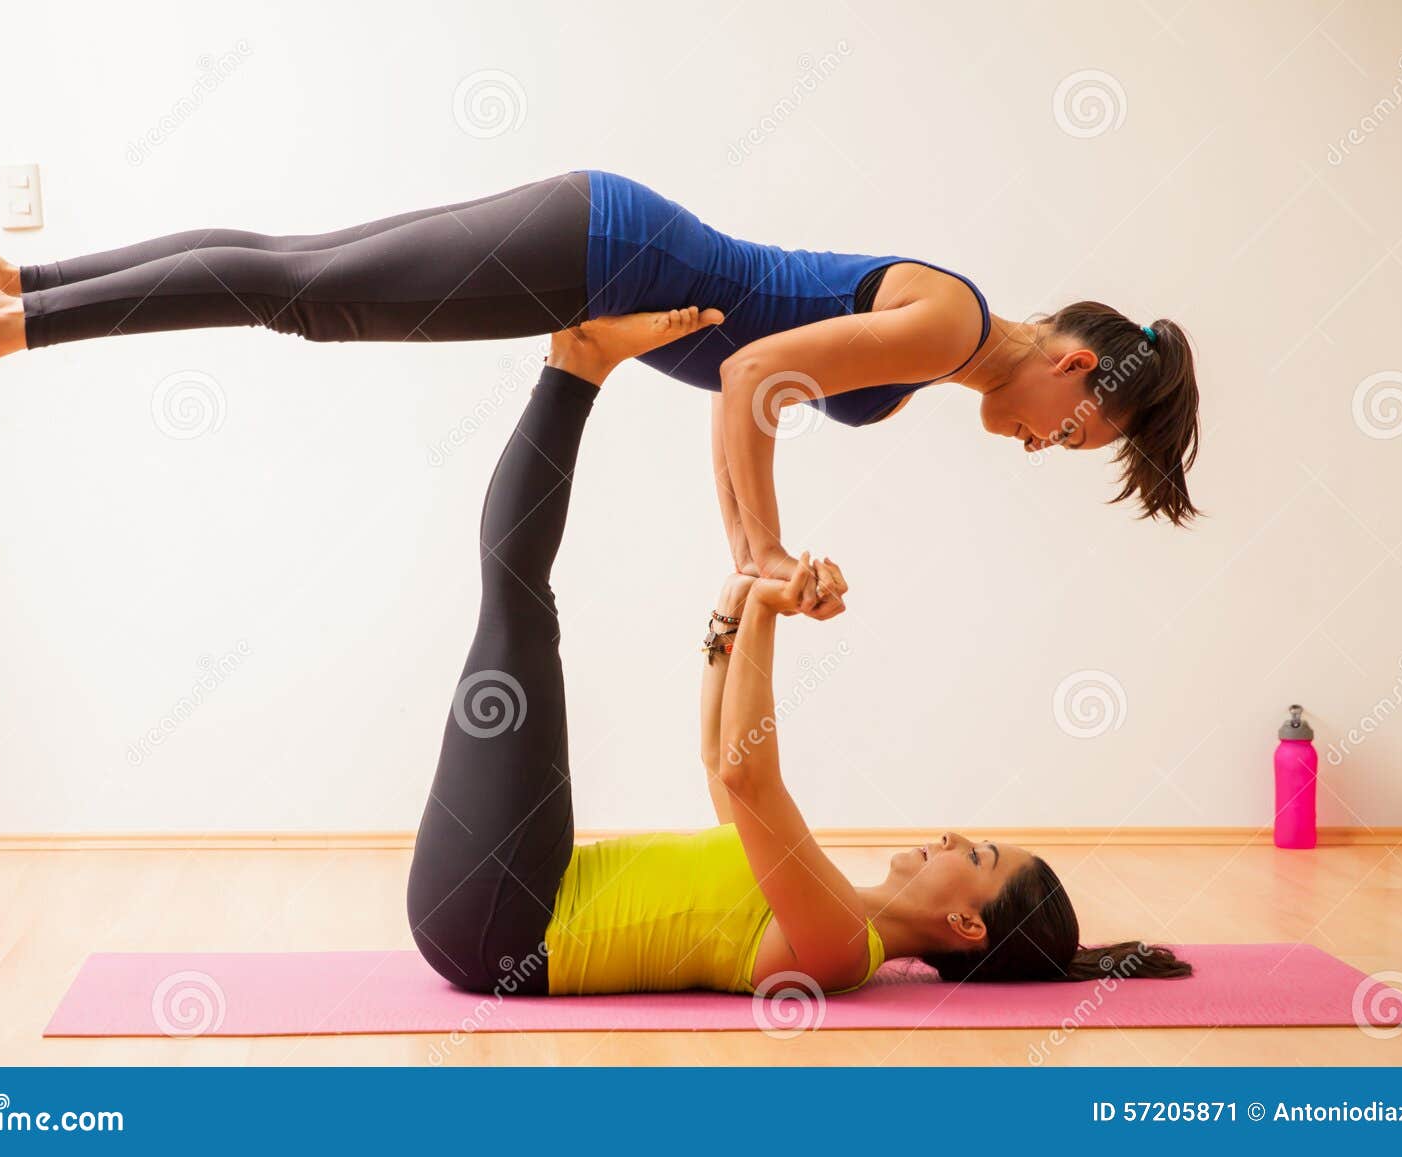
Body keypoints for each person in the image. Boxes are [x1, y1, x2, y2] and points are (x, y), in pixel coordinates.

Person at [0, 170, 1201, 617]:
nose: (1045, 445)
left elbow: (762, 369)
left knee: (305, 275)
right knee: (315, 294)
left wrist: (785, 560)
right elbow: (746, 374)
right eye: (1076, 431)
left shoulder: (941, 348)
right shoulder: (953, 325)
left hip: (601, 250)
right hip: (603, 248)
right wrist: (761, 555)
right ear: (1079, 369)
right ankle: (11, 319)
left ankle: (17, 286)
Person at [405, 303, 1191, 996]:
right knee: (519, 603)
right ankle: (575, 364)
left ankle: (575, 366)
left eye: (979, 855)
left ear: (966, 923)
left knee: (519, 601)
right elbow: (721, 763)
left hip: (505, 920)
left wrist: (772, 611)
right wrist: (744, 597)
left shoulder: (846, 947)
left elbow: (750, 774)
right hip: (510, 900)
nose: (954, 834)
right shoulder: (825, 894)